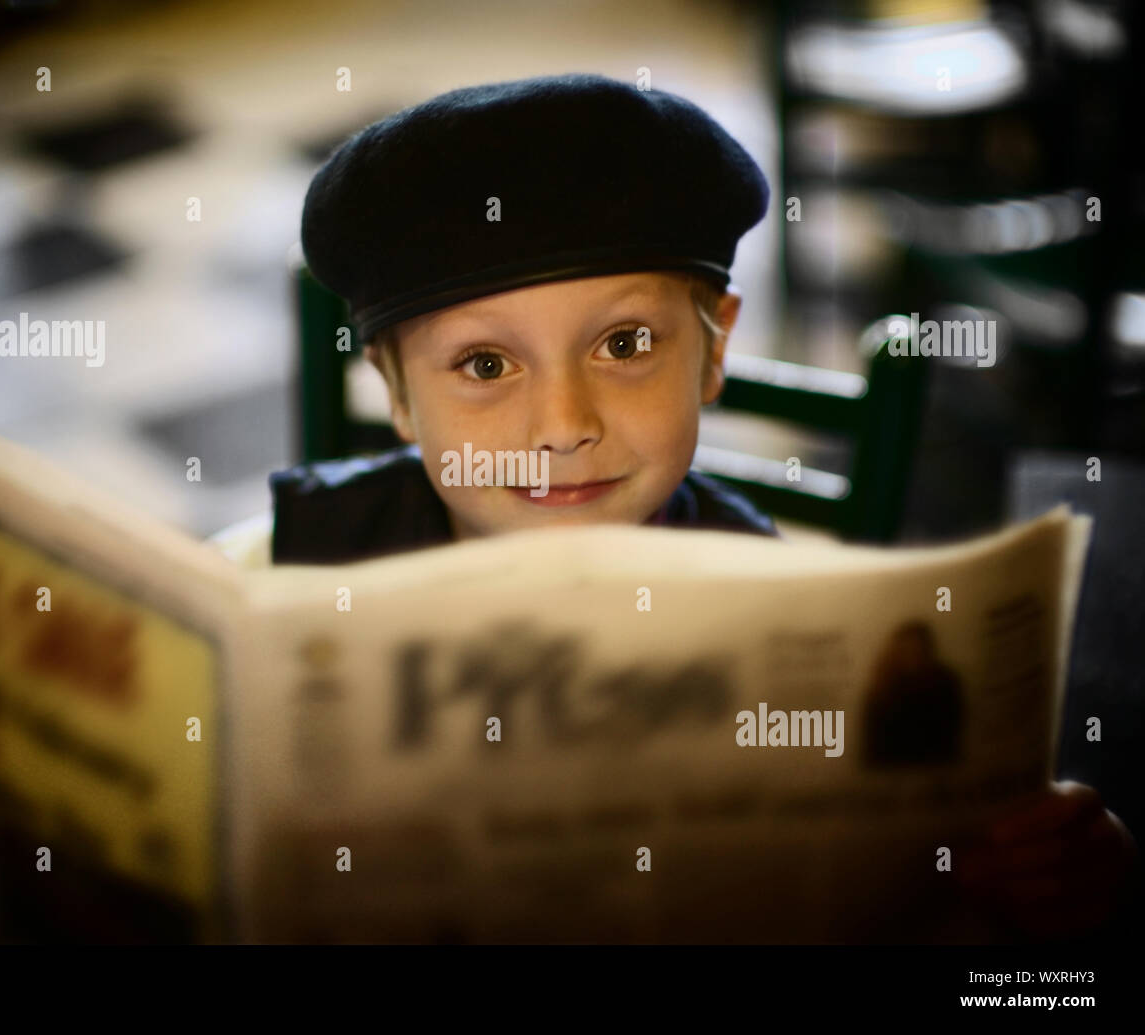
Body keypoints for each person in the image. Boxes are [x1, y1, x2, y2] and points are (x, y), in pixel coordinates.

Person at [269, 73, 1136, 942]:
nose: (565, 427)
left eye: (625, 343)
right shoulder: (310, 562)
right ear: (397, 394)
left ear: (715, 345)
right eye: (487, 365)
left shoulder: (798, 637)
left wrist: (1025, 881)